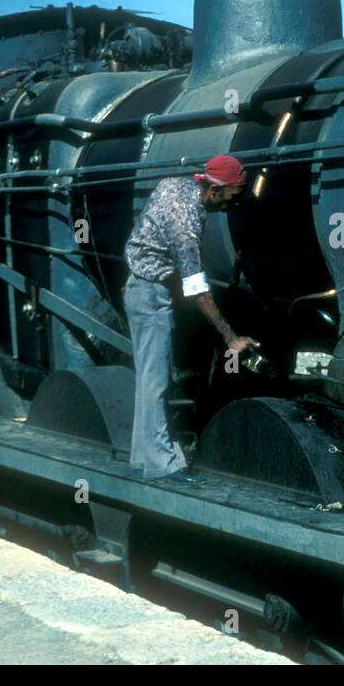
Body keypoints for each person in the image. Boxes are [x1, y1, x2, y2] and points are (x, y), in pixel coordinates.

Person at [123, 155, 259, 483]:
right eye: (235, 194)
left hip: (142, 288)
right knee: (157, 382)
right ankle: (163, 465)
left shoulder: (174, 184)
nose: (238, 201)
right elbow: (197, 289)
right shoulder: (185, 221)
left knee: (149, 378)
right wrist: (231, 338)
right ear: (214, 190)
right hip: (151, 294)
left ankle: (144, 457)